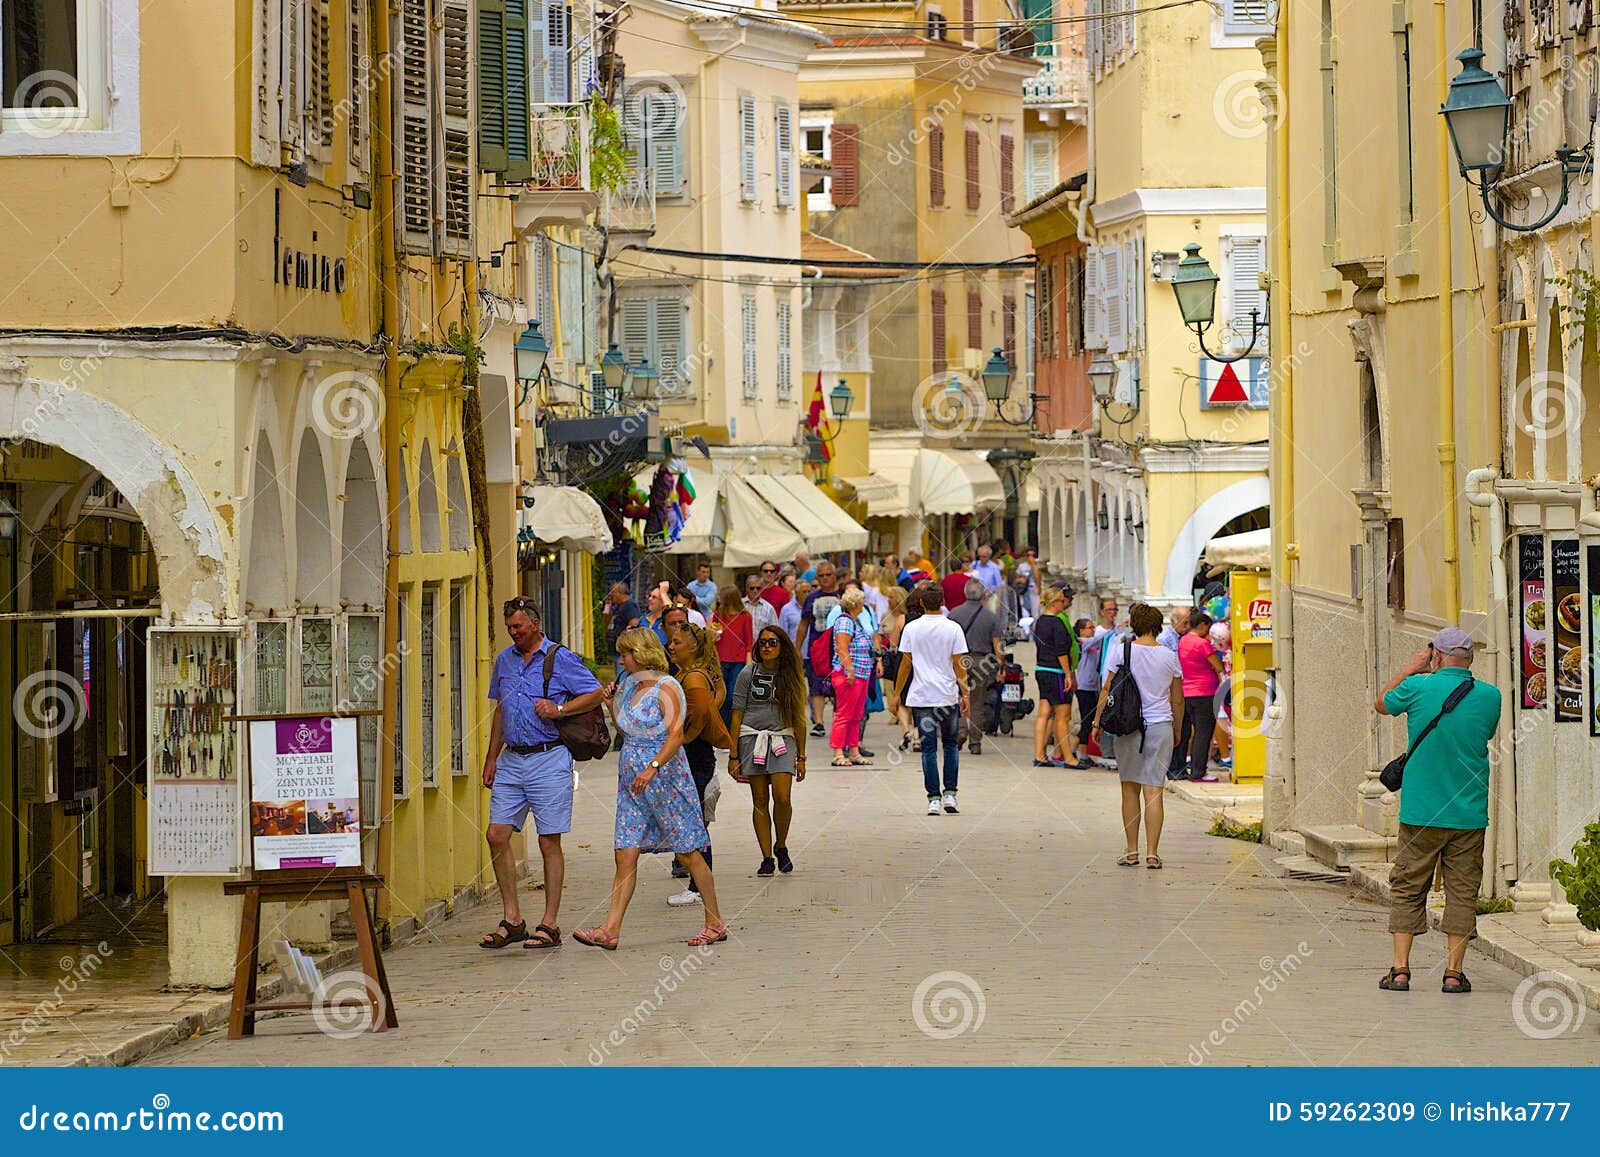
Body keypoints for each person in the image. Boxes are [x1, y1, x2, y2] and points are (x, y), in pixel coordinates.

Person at [575, 629, 728, 950]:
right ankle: (610, 930)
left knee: (687, 851)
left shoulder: (667, 686)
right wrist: (612, 705)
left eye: (626, 654)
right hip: (632, 785)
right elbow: (628, 730)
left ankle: (715, 922)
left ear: (642, 653)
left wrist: (652, 767)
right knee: (625, 852)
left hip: (665, 780)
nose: (621, 660)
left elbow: (676, 735)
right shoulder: (632, 685)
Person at [1373, 627, 1501, 993]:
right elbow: (1484, 734)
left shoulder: (1417, 687)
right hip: (1468, 812)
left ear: (1437, 655)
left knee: (1408, 887)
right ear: (1470, 659)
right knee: (1462, 891)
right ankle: (1453, 973)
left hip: (1420, 812)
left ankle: (1400, 970)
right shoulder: (1490, 696)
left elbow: (1381, 703)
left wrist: (1412, 668)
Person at [480, 597, 603, 951]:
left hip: (549, 757)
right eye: (509, 628)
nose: (513, 633)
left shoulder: (560, 658)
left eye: (518, 626)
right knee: (496, 834)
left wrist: (559, 708)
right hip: (512, 759)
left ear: (535, 624)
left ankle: (549, 923)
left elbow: (595, 693)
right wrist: (491, 757)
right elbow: (501, 710)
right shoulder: (504, 660)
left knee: (548, 840)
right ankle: (512, 919)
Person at [1093, 603, 1183, 870]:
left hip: (1127, 725)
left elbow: (1107, 688)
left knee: (1129, 788)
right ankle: (1152, 854)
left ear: (1134, 624)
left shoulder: (1122, 651)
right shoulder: (1169, 656)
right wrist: (1177, 729)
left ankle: (1132, 851)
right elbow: (1178, 699)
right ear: (1158, 626)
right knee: (1154, 790)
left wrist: (1097, 722)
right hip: (1160, 725)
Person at [728, 625, 809, 875]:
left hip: (783, 738)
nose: (766, 647)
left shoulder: (791, 675)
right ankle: (766, 857)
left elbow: (799, 719)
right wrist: (733, 754)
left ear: (782, 646)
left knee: (783, 797)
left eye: (773, 642)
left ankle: (781, 845)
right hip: (752, 739)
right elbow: (736, 715)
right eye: (763, 642)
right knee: (760, 799)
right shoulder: (747, 673)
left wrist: (801, 757)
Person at [664, 623, 732, 907]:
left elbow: (702, 711)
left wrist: (683, 738)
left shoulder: (692, 677)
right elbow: (716, 698)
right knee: (695, 824)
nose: (671, 646)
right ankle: (697, 885)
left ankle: (697, 887)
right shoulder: (692, 673)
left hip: (695, 760)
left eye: (677, 642)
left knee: (695, 826)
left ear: (693, 647)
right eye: (671, 641)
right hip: (697, 759)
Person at [894, 584, 969, 815]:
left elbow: (905, 664)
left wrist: (897, 693)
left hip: (922, 695)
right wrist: (965, 692)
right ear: (943, 601)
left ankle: (933, 798)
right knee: (950, 745)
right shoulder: (953, 628)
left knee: (928, 748)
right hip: (947, 694)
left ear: (921, 603)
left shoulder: (911, 628)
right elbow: (959, 664)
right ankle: (950, 794)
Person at [1032, 587, 1087, 768]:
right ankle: (1069, 758)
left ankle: (1039, 754)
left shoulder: (1040, 621)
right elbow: (1061, 651)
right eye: (1062, 600)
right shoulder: (1057, 623)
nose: (1064, 604)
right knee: (1063, 716)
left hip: (1041, 669)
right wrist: (1068, 674)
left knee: (1044, 713)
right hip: (1056, 671)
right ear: (1055, 602)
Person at [949, 578, 1002, 754]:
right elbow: (998, 648)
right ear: (983, 595)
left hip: (959, 660)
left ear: (965, 593)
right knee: (978, 702)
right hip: (981, 662)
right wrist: (1001, 666)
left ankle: (961, 728)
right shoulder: (991, 617)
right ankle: (975, 742)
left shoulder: (954, 614)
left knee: (958, 697)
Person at [1170, 611, 1224, 782]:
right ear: (1201, 625)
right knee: (1203, 733)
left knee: (1190, 732)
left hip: (1187, 692)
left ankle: (1187, 769)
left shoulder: (1183, 641)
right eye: (1207, 628)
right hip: (1205, 692)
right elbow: (1218, 666)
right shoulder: (1202, 644)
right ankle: (1198, 772)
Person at [828, 587, 874, 766]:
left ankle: (854, 750)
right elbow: (842, 648)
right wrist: (850, 670)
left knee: (856, 715)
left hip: (861, 674)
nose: (864, 604)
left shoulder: (855, 621)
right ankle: (838, 752)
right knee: (844, 714)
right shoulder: (845, 622)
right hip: (849, 675)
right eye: (861, 601)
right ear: (855, 604)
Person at [801, 559, 841, 738]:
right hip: (817, 649)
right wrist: (797, 648)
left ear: (834, 575)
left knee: (838, 686)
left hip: (840, 648)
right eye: (821, 575)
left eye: (828, 575)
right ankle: (819, 722)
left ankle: (839, 721)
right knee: (816, 686)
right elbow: (803, 624)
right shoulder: (811, 598)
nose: (825, 578)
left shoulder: (843, 595)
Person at [711, 586, 753, 730]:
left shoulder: (745, 617)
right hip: (720, 660)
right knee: (720, 695)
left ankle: (732, 726)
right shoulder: (717, 615)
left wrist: (749, 664)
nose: (719, 601)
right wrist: (713, 635)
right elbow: (713, 639)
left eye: (721, 598)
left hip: (738, 661)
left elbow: (749, 642)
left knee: (732, 695)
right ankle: (721, 727)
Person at [883, 585, 914, 751]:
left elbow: (893, 644)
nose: (888, 600)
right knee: (914, 699)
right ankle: (917, 737)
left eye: (891, 597)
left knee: (901, 696)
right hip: (918, 662)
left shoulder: (902, 618)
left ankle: (906, 731)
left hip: (902, 661)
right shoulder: (887, 615)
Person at [1073, 617, 1104, 762]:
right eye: (1090, 628)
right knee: (1086, 720)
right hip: (1083, 686)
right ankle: (1083, 755)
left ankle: (1073, 748)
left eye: (1093, 627)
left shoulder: (1093, 643)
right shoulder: (1081, 642)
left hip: (1092, 686)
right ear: (1081, 630)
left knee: (1090, 720)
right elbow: (1097, 639)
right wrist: (1111, 631)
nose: (1093, 630)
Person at [603, 582, 640, 657]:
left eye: (612, 592)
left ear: (619, 592)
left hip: (622, 650)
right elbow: (606, 622)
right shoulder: (617, 606)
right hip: (614, 648)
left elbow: (634, 625)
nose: (610, 594)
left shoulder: (630, 605)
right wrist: (607, 606)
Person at [780, 579, 810, 643]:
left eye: (809, 591)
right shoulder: (786, 609)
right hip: (794, 648)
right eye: (804, 592)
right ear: (797, 593)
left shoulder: (813, 608)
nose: (807, 594)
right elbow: (782, 634)